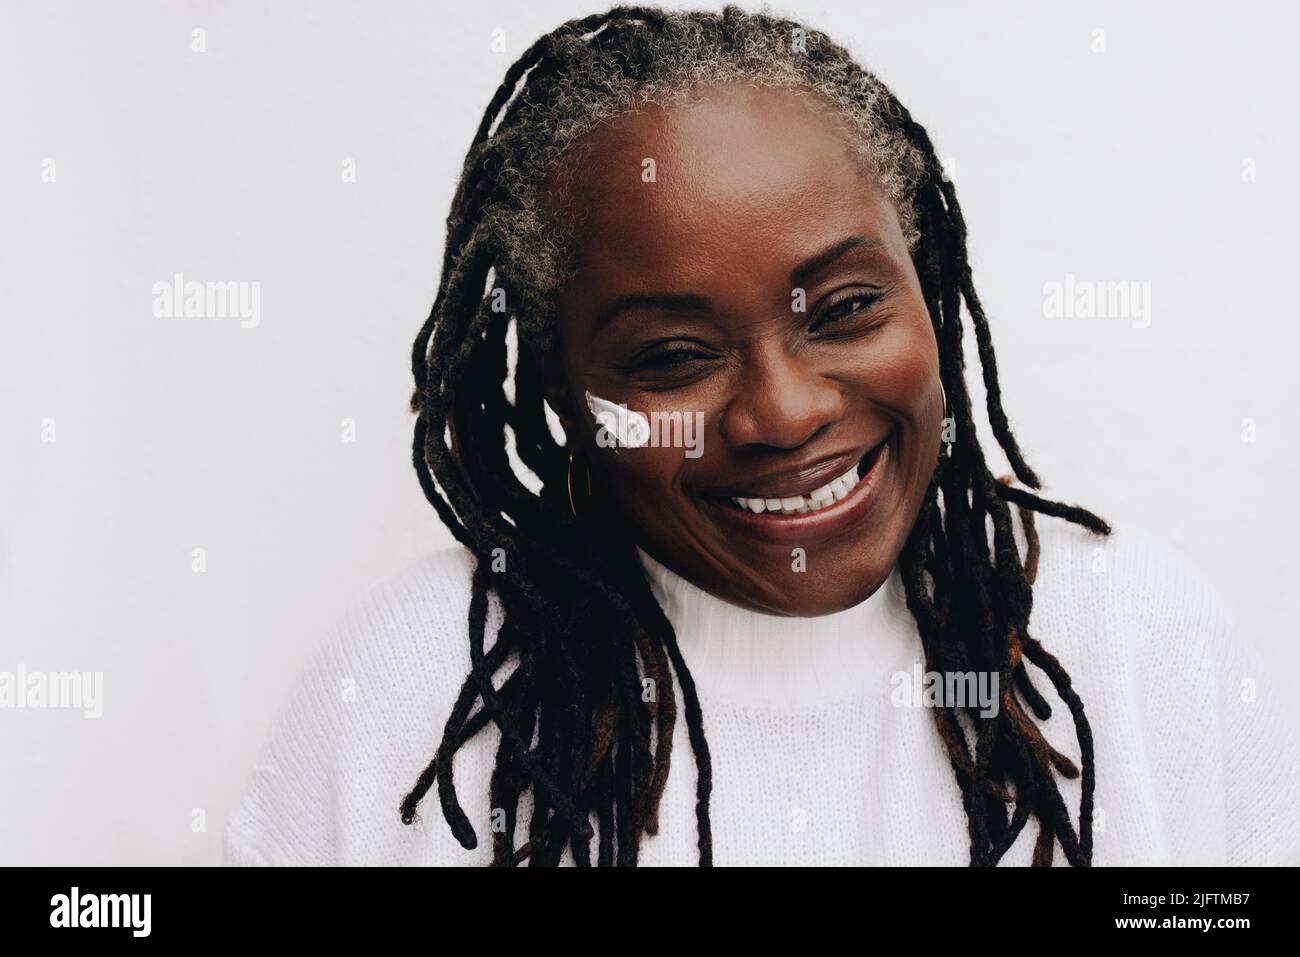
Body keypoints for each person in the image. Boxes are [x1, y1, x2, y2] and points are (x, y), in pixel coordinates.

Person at [223, 4, 1300, 866]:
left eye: (842, 310)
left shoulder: (1133, 639)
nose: (783, 414)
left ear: (927, 285)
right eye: (670, 356)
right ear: (560, 392)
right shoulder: (410, 699)